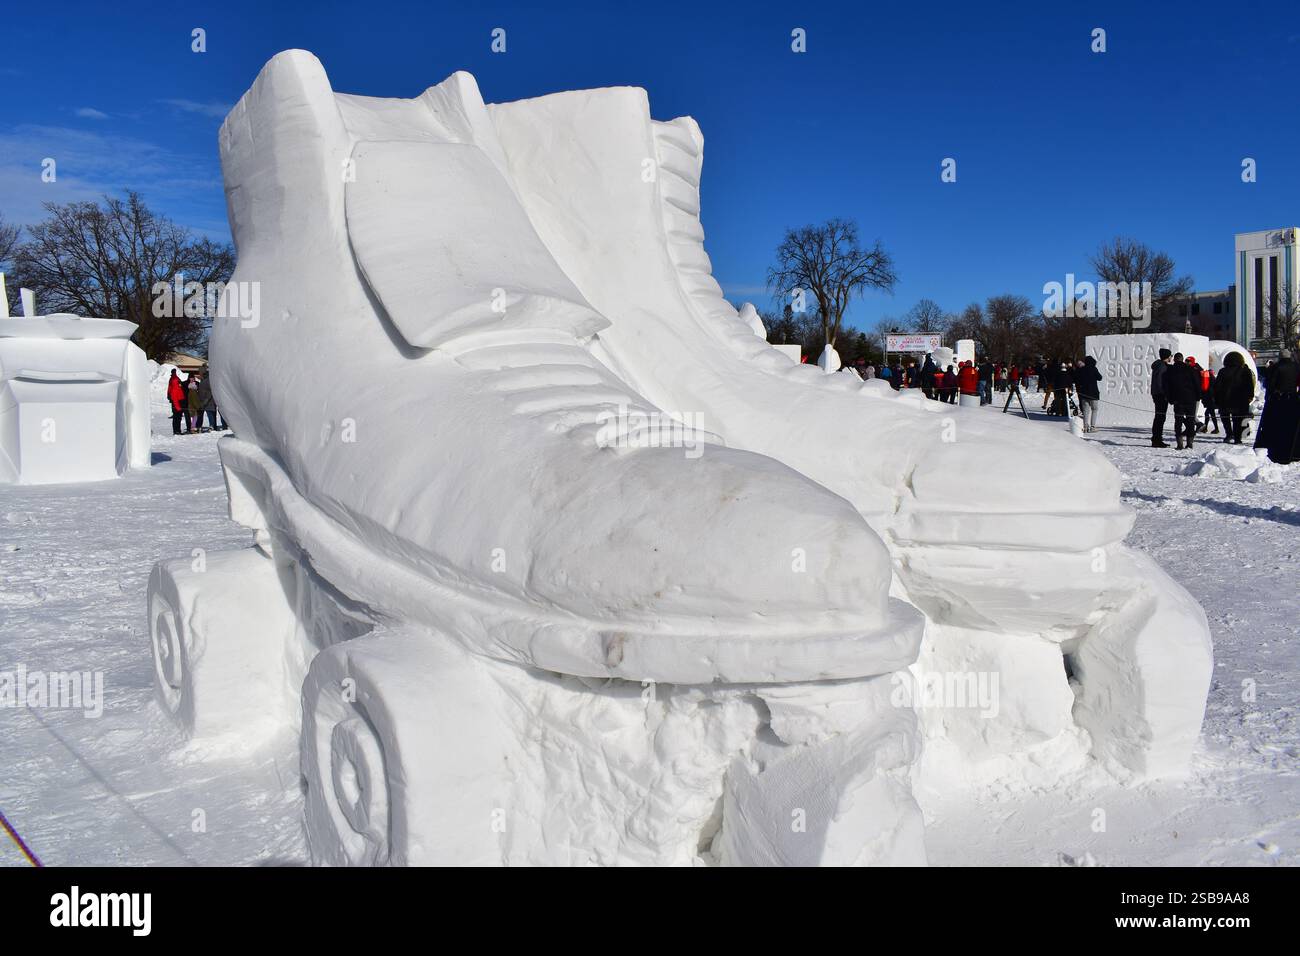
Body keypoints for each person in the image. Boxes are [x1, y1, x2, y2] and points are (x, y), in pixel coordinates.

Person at [1254, 348, 1299, 464]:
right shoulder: (1296, 366)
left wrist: (1269, 396)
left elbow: (1271, 384)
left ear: (1280, 356)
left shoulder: (1277, 367)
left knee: (1278, 424)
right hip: (1293, 398)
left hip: (1278, 399)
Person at [1213, 351, 1255, 445]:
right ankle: (1237, 438)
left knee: (1225, 418)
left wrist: (1216, 399)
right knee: (1238, 420)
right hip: (1240, 400)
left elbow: (1217, 387)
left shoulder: (1223, 371)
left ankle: (1228, 434)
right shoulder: (1245, 371)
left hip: (1225, 399)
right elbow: (1249, 385)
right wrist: (1250, 396)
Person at [1163, 352, 1200, 450]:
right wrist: (1198, 397)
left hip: (1177, 400)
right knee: (1190, 420)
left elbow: (1167, 387)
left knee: (1178, 422)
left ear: (1174, 360)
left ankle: (1180, 444)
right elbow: (1197, 383)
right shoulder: (1190, 369)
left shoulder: (1170, 370)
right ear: (1182, 359)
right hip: (1190, 399)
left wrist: (1170, 399)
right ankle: (1190, 443)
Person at [1150, 347, 1172, 447]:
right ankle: (1157, 439)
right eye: (1170, 356)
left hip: (1156, 394)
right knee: (1160, 417)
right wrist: (1165, 393)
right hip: (1160, 395)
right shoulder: (1162, 367)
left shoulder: (1159, 365)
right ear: (1167, 357)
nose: (1171, 357)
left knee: (1159, 417)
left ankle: (1157, 438)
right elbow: (1160, 382)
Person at [1073, 355, 1102, 432]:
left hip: (1084, 393)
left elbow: (1077, 379)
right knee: (1094, 409)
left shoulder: (1082, 370)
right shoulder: (1094, 369)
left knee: (1086, 411)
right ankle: (1092, 427)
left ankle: (1085, 427)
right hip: (1093, 393)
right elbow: (1100, 378)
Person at [1199, 365, 1220, 435]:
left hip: (1210, 399)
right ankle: (1211, 428)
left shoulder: (1210, 380)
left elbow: (1209, 390)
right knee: (1210, 414)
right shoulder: (1213, 379)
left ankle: (1209, 428)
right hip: (1212, 399)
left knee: (1209, 414)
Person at [166, 369, 186, 435]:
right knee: (176, 417)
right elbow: (174, 398)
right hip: (177, 404)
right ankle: (176, 431)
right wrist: (178, 407)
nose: (180, 384)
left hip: (179, 402)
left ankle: (177, 430)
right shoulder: (175, 386)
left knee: (177, 417)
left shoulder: (174, 380)